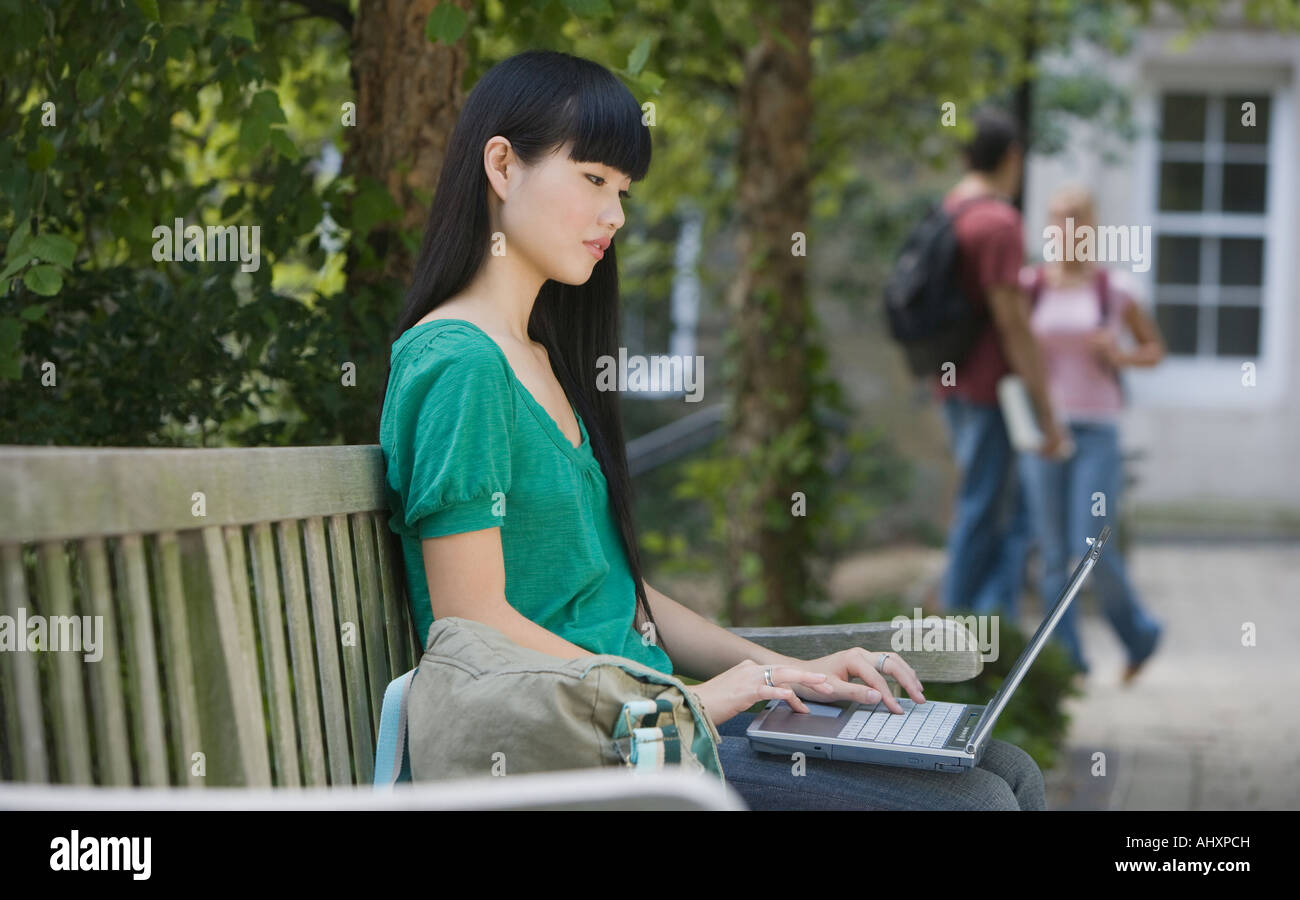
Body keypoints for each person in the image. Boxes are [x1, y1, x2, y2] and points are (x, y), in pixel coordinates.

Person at [378, 50, 1045, 809]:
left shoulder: (536, 357)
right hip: (578, 751)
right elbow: (474, 620)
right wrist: (694, 697)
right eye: (594, 179)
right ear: (502, 166)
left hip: (648, 723)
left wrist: (789, 672)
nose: (615, 216)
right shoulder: (459, 362)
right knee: (975, 802)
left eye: (622, 190)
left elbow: (627, 599)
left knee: (1005, 769)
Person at [1016, 184, 1165, 684]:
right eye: (1058, 217)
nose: (1067, 227)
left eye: (1077, 217)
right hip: (1045, 431)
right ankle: (1068, 666)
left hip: (1097, 429)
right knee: (1053, 554)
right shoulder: (1029, 285)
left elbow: (1153, 350)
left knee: (1092, 546)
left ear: (1093, 225)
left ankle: (1139, 635)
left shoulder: (1114, 289)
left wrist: (1119, 353)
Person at [933, 110, 1067, 619]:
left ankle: (986, 629)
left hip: (953, 383)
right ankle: (959, 636)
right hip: (995, 393)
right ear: (1012, 157)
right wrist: (1047, 411)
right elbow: (1014, 324)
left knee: (988, 506)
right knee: (988, 509)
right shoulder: (998, 221)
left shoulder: (951, 210)